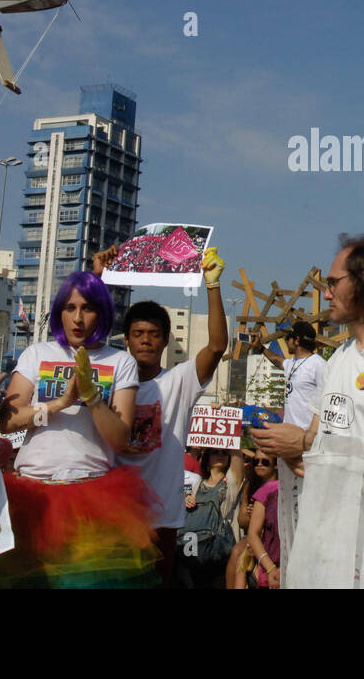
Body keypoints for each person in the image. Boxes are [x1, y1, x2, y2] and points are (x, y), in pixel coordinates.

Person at [250, 235, 364, 589]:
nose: (326, 293)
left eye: (334, 282)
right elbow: (317, 452)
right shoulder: (339, 358)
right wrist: (287, 449)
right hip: (335, 544)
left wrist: (307, 441)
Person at [0, 270, 157, 588]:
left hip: (92, 499)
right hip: (30, 493)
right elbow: (8, 420)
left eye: (88, 308)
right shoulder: (37, 353)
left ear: (103, 313)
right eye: (69, 308)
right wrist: (59, 403)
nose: (78, 318)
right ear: (59, 312)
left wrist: (92, 398)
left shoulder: (120, 362)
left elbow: (119, 438)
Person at [115, 249, 229, 588]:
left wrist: (213, 285)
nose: (146, 340)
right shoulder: (108, 382)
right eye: (138, 334)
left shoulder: (179, 380)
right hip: (114, 512)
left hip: (161, 517)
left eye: (153, 334)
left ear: (166, 340)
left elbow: (217, 346)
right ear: (126, 340)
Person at [252, 320, 326, 547]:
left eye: (289, 338)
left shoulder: (319, 365)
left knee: (307, 498)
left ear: (298, 340)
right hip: (287, 440)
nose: (286, 341)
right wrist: (260, 349)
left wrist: (314, 436)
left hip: (306, 441)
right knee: (290, 499)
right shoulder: (293, 363)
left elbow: (326, 401)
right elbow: (278, 361)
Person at [176, 447, 244, 588]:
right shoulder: (196, 484)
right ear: (206, 458)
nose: (220, 455)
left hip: (216, 557)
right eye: (215, 452)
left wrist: (232, 437)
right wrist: (186, 499)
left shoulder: (229, 483)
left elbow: (237, 462)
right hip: (189, 555)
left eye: (224, 453)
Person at [246, 454, 281, 588]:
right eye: (256, 461)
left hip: (301, 574)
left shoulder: (312, 489)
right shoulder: (268, 490)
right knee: (238, 556)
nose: (260, 464)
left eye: (265, 462)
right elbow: (253, 534)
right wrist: (271, 568)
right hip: (271, 571)